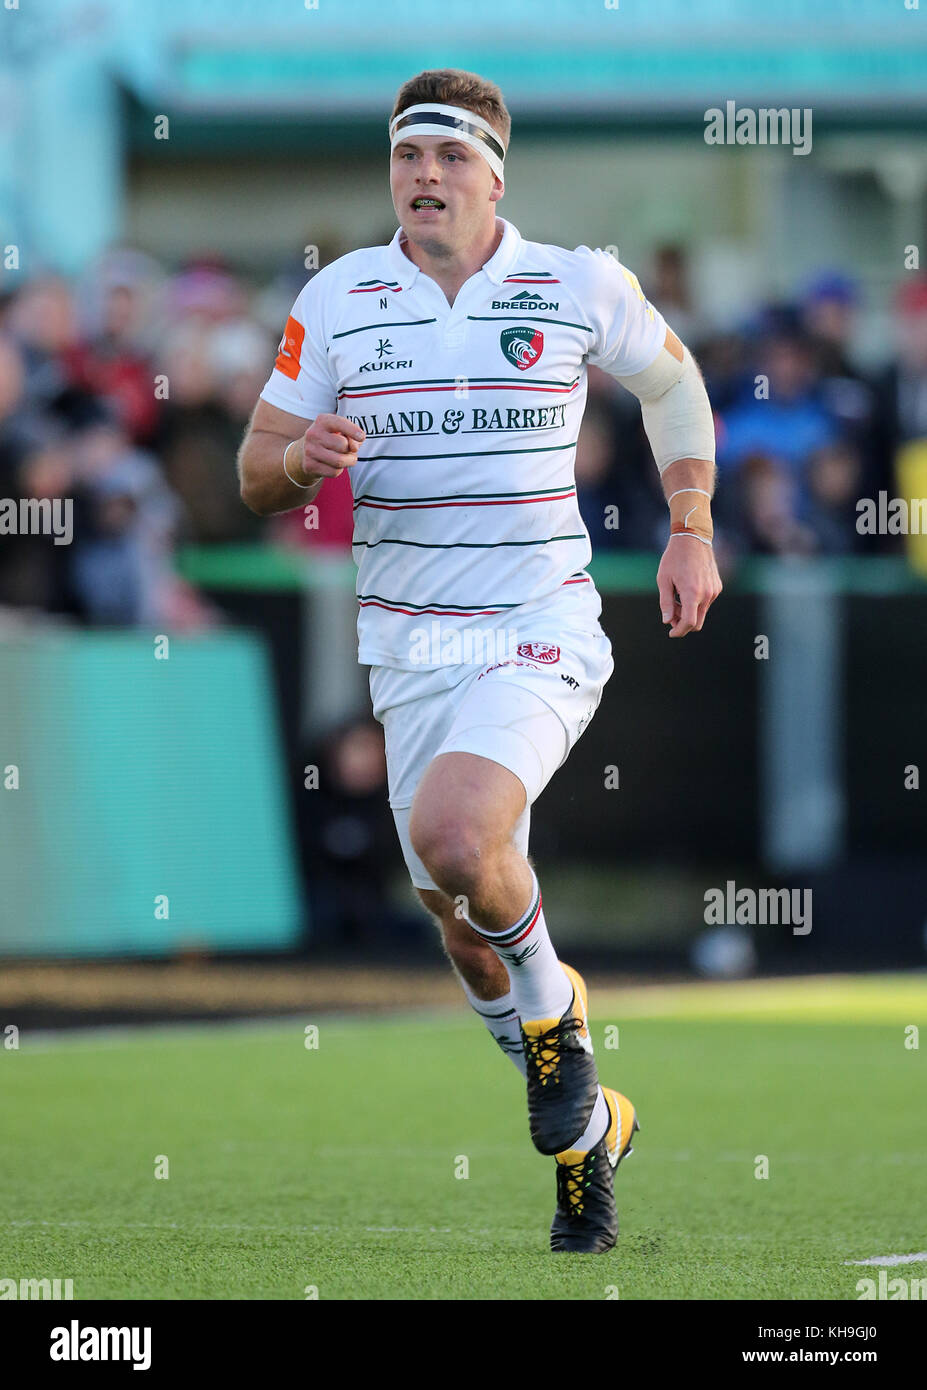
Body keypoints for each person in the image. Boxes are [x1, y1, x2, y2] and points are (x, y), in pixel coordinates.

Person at [237, 68, 721, 1253]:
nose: (424, 177)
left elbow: (674, 382)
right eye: (408, 158)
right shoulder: (342, 297)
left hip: (537, 626)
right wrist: (306, 458)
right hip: (408, 647)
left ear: (495, 176)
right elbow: (255, 469)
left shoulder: (576, 281)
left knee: (462, 836)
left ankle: (558, 1030)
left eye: (449, 158)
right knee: (459, 913)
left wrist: (693, 524)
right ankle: (587, 1131)